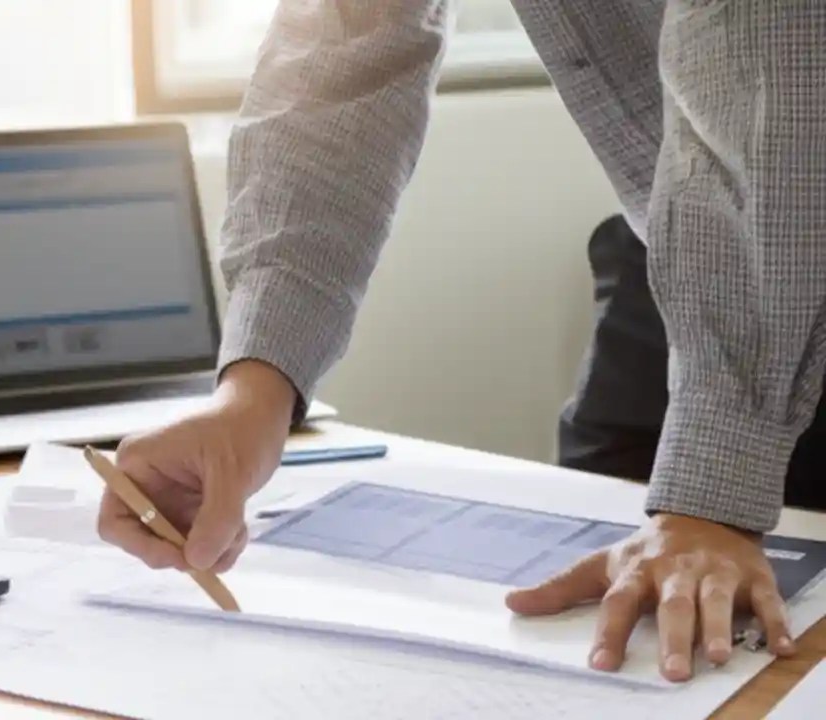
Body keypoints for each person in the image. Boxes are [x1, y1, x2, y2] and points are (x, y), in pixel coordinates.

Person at [97, 0, 826, 684]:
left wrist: (709, 503)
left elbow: (770, 66)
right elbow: (345, 47)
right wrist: (254, 393)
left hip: (779, 227)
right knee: (608, 633)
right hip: (695, 253)